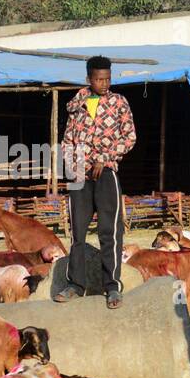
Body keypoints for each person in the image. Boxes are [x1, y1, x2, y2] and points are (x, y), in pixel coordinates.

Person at [56, 55, 136, 309]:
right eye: (99, 79)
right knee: (78, 232)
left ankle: (112, 287)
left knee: (109, 231)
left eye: (108, 79)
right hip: (80, 174)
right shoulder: (77, 104)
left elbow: (130, 136)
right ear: (89, 78)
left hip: (106, 174)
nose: (104, 83)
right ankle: (75, 285)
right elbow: (67, 139)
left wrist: (106, 156)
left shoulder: (118, 102)